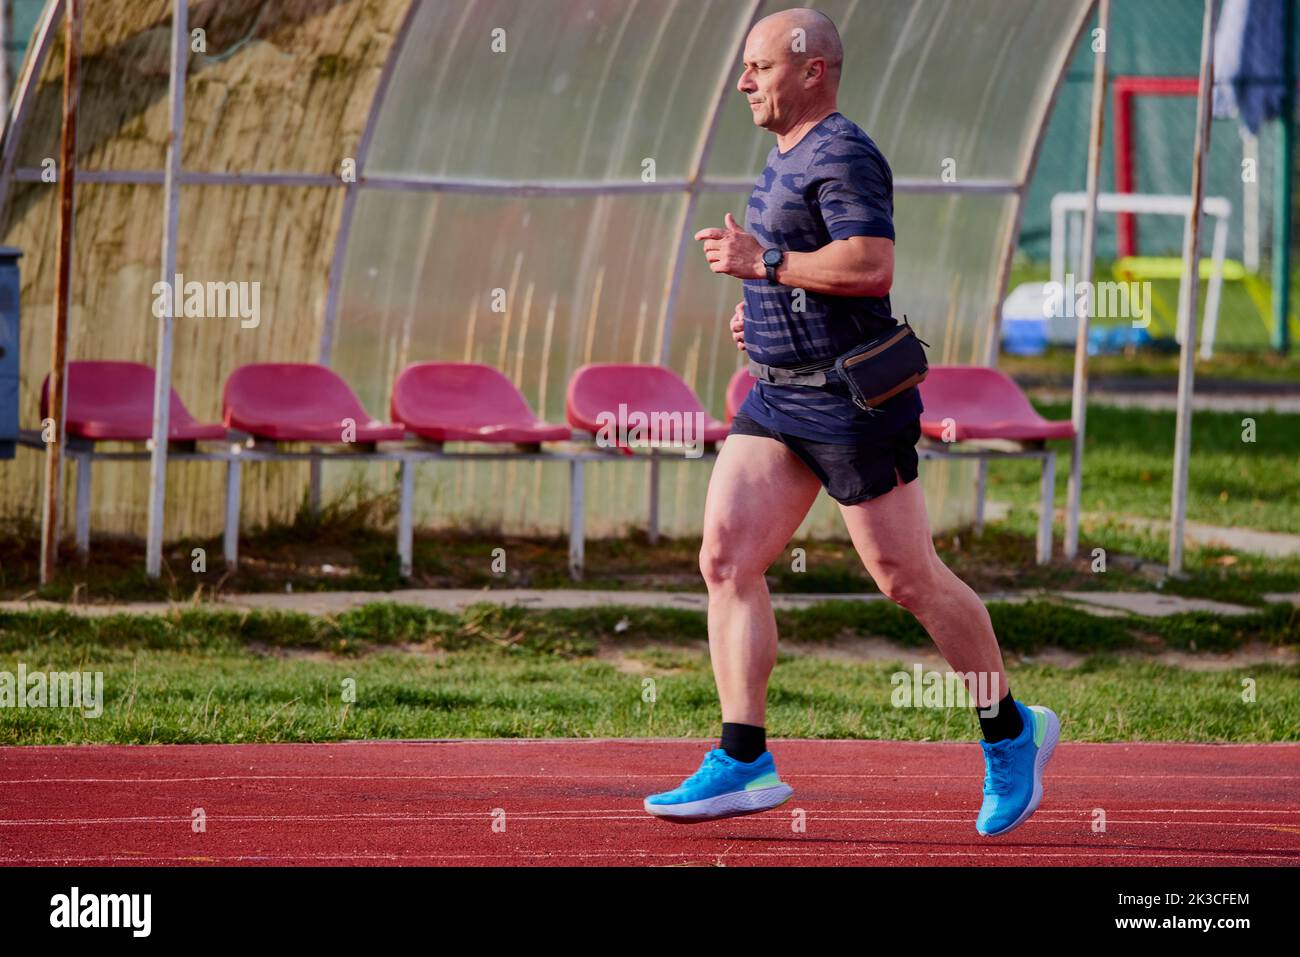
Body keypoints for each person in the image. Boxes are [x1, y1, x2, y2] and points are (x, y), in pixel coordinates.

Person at [642, 7, 1059, 836]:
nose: (744, 82)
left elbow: (870, 265)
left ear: (813, 70)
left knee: (909, 580)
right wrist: (762, 308)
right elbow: (808, 274)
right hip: (776, 397)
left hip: (849, 404)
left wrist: (764, 263)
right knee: (725, 557)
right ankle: (744, 755)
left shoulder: (845, 151)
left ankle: (1011, 731)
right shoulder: (785, 154)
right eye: (746, 68)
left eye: (759, 67)